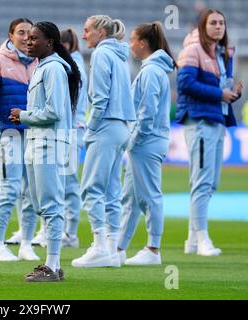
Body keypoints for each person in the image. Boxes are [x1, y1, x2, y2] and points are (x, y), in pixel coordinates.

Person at [9, 21, 80, 281]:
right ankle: (54, 264)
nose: (28, 41)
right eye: (26, 37)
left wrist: (24, 115)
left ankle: (51, 266)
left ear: (49, 42)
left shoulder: (53, 70)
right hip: (37, 142)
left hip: (48, 143)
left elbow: (55, 112)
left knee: (50, 204)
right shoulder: (42, 67)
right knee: (40, 203)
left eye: (34, 38)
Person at [175, 9, 243, 256]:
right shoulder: (193, 51)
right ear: (203, 27)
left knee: (209, 183)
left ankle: (193, 239)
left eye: (222, 23)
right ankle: (202, 239)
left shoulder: (222, 54)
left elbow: (219, 87)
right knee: (202, 182)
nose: (218, 27)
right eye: (213, 23)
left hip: (216, 119)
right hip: (200, 121)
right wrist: (219, 94)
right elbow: (184, 83)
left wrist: (232, 93)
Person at [72, 15, 135, 268]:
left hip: (106, 125)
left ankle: (99, 246)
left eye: (87, 30)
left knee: (91, 188)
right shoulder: (120, 55)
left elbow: (99, 98)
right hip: (121, 126)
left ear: (100, 32)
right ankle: (111, 249)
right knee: (111, 190)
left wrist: (91, 128)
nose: (84, 35)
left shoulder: (100, 54)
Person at [0, 18, 40, 262]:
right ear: (10, 36)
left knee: (32, 192)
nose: (26, 37)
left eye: (29, 33)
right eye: (20, 32)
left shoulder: (40, 61)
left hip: (35, 132)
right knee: (9, 189)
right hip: (10, 133)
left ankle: (26, 243)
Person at [117, 22, 176, 265]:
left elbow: (147, 111)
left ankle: (153, 249)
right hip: (147, 142)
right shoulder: (151, 70)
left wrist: (133, 140)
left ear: (143, 43)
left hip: (147, 143)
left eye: (132, 40)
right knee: (130, 197)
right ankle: (119, 247)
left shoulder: (151, 71)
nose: (129, 45)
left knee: (150, 196)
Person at [60, 28, 88, 248]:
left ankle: (70, 233)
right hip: (73, 129)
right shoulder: (74, 65)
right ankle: (66, 230)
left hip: (71, 130)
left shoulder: (72, 67)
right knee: (65, 181)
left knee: (68, 182)